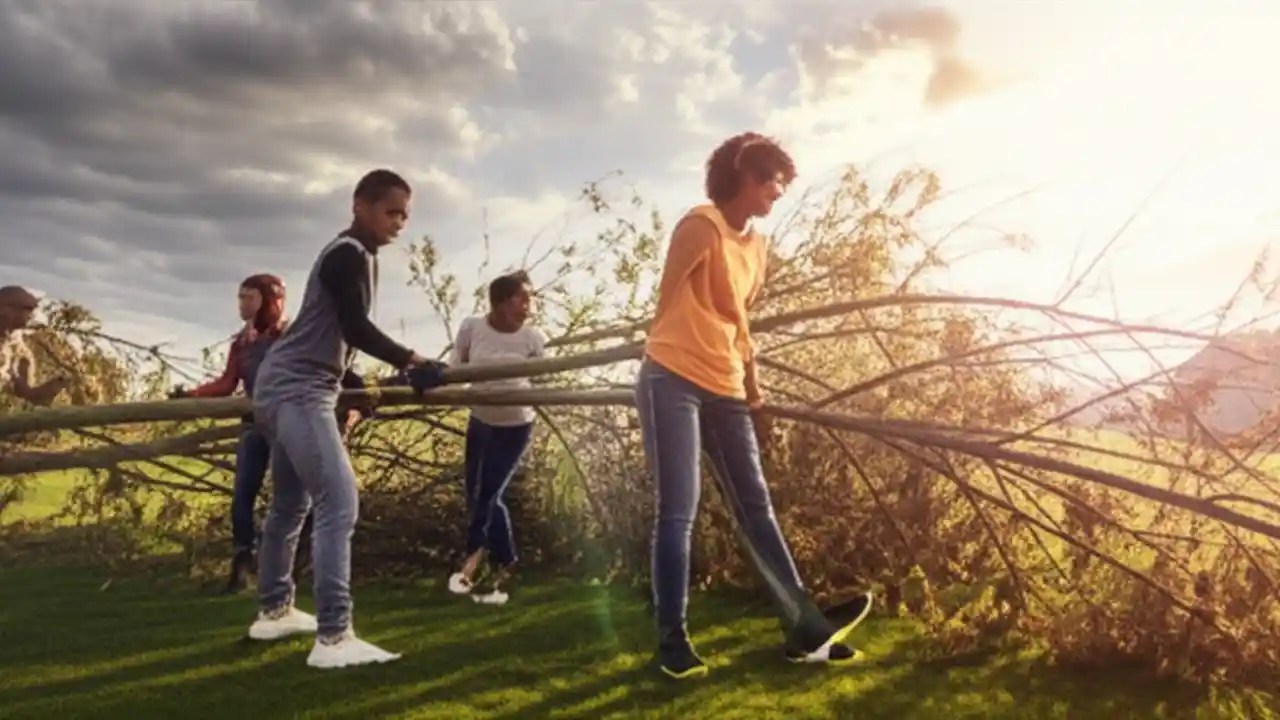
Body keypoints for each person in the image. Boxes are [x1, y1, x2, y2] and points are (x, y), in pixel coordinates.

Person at [635, 132, 874, 679]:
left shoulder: (757, 247)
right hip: (672, 376)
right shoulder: (700, 226)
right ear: (744, 174)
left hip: (727, 384)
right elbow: (668, 302)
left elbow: (740, 322)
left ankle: (804, 629)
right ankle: (672, 640)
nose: (779, 191)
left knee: (756, 507)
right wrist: (671, 355)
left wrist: (754, 389)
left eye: (782, 181)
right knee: (678, 510)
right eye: (772, 180)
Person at [245, 169, 442, 669]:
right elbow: (356, 324)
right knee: (339, 501)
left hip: (289, 386)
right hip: (297, 388)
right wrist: (412, 360)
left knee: (291, 504)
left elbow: (338, 335)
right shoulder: (346, 255)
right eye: (390, 211)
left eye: (404, 215)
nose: (398, 222)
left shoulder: (358, 256)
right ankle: (335, 636)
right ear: (360, 205)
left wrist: (358, 388)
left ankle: (274, 610)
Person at [172, 275, 291, 592]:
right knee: (242, 497)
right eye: (240, 298)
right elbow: (228, 383)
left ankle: (277, 563)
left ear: (269, 300)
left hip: (287, 424)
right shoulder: (241, 343)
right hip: (253, 424)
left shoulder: (290, 336)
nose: (242, 304)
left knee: (287, 497)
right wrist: (193, 395)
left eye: (249, 297)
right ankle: (243, 562)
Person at [445, 271, 547, 605]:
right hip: (481, 421)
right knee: (478, 495)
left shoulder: (533, 337)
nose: (528, 306)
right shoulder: (472, 328)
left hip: (516, 426)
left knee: (488, 491)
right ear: (502, 302)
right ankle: (507, 563)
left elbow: (544, 378)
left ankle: (470, 566)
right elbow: (455, 368)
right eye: (523, 298)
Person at [0, 285, 70, 406]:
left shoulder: (17, 349)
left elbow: (23, 393)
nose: (30, 315)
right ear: (4, 309)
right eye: (25, 308)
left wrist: (49, 389)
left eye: (32, 310)